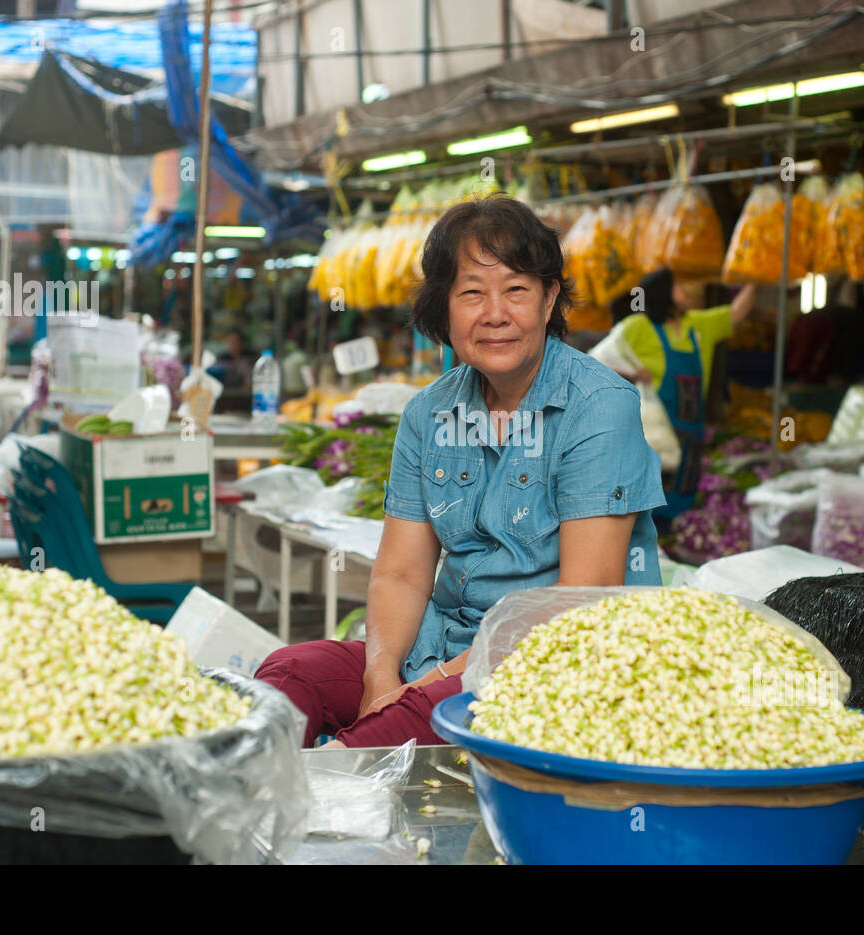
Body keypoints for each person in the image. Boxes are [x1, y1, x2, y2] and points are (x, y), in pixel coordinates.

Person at [255, 194, 666, 747]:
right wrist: (380, 677)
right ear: (443, 309)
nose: (495, 313)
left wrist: (423, 688)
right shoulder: (428, 413)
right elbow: (401, 573)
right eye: (472, 293)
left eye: (517, 290)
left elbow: (574, 604)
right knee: (287, 676)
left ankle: (319, 814)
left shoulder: (598, 406)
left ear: (548, 302)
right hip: (443, 651)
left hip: (545, 670)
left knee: (374, 742)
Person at [593, 268, 756, 522]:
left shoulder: (698, 325)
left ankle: (675, 542)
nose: (687, 290)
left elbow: (736, 313)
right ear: (663, 293)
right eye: (679, 285)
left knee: (683, 502)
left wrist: (757, 281)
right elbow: (594, 362)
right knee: (646, 505)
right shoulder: (638, 327)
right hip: (653, 436)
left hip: (691, 438)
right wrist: (631, 373)